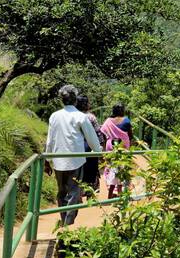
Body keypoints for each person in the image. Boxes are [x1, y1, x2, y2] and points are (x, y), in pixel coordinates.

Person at [45, 85, 102, 227]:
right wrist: (99, 152)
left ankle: (64, 219)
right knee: (74, 192)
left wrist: (47, 159)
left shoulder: (54, 116)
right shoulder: (80, 117)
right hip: (76, 160)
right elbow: (92, 138)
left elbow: (50, 139)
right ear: (75, 100)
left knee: (61, 192)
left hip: (58, 161)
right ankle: (68, 223)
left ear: (61, 100)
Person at [100, 104, 132, 199]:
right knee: (122, 169)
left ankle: (110, 192)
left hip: (111, 147)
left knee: (111, 168)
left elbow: (103, 133)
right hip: (123, 147)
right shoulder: (126, 120)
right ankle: (120, 193)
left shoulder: (108, 121)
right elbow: (130, 135)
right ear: (122, 110)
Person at [75, 93, 103, 196]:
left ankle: (77, 192)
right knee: (91, 169)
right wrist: (101, 150)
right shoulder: (91, 117)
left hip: (75, 148)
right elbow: (98, 133)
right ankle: (90, 191)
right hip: (89, 147)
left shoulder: (72, 116)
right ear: (86, 104)